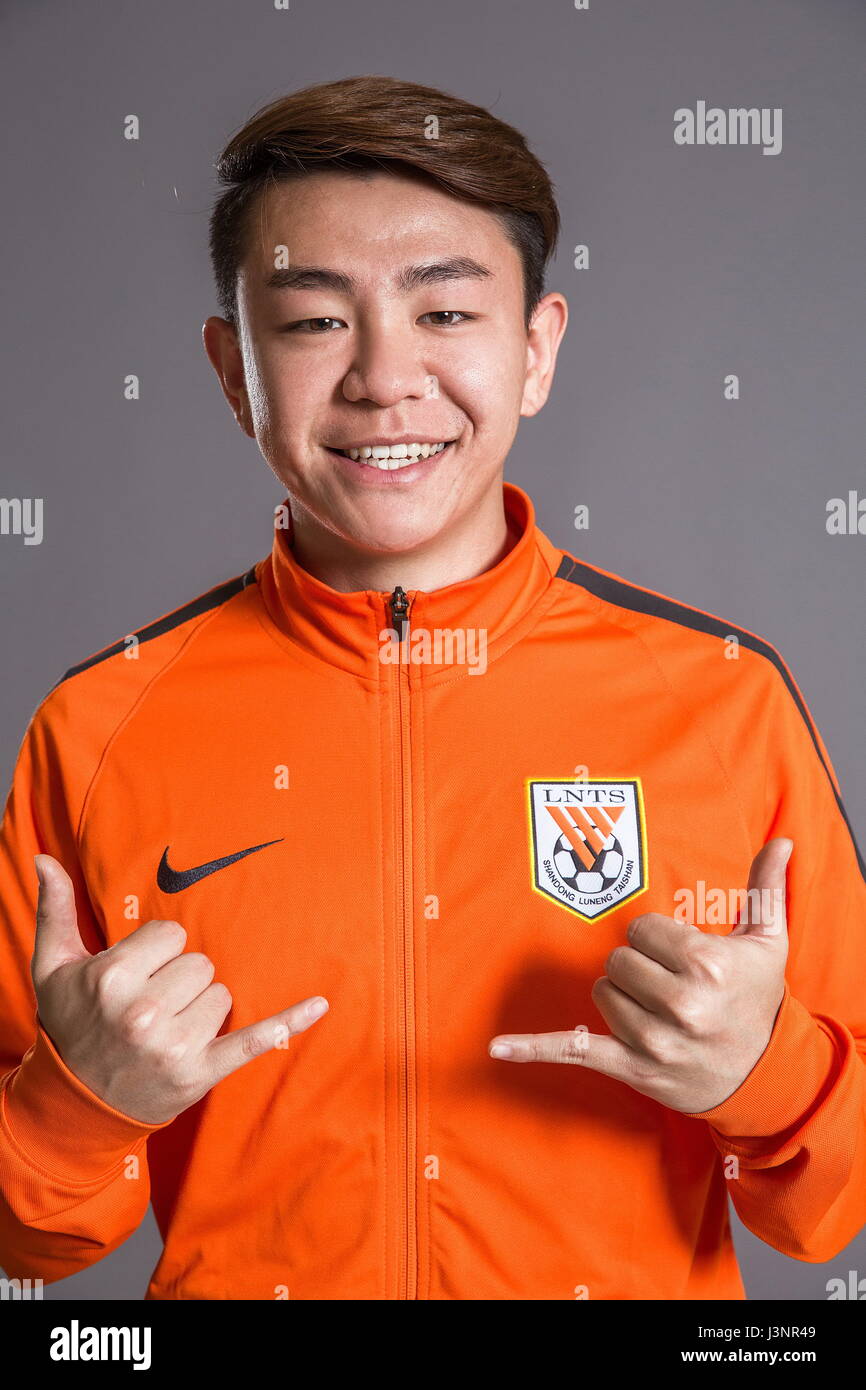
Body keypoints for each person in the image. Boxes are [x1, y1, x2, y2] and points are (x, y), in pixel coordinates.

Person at [1, 74, 864, 1302]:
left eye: (446, 312)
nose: (382, 378)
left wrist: (762, 1073)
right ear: (232, 370)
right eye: (310, 324)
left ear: (535, 351)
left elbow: (832, 1208)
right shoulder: (95, 727)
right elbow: (32, 1239)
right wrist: (78, 1106)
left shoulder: (719, 699)